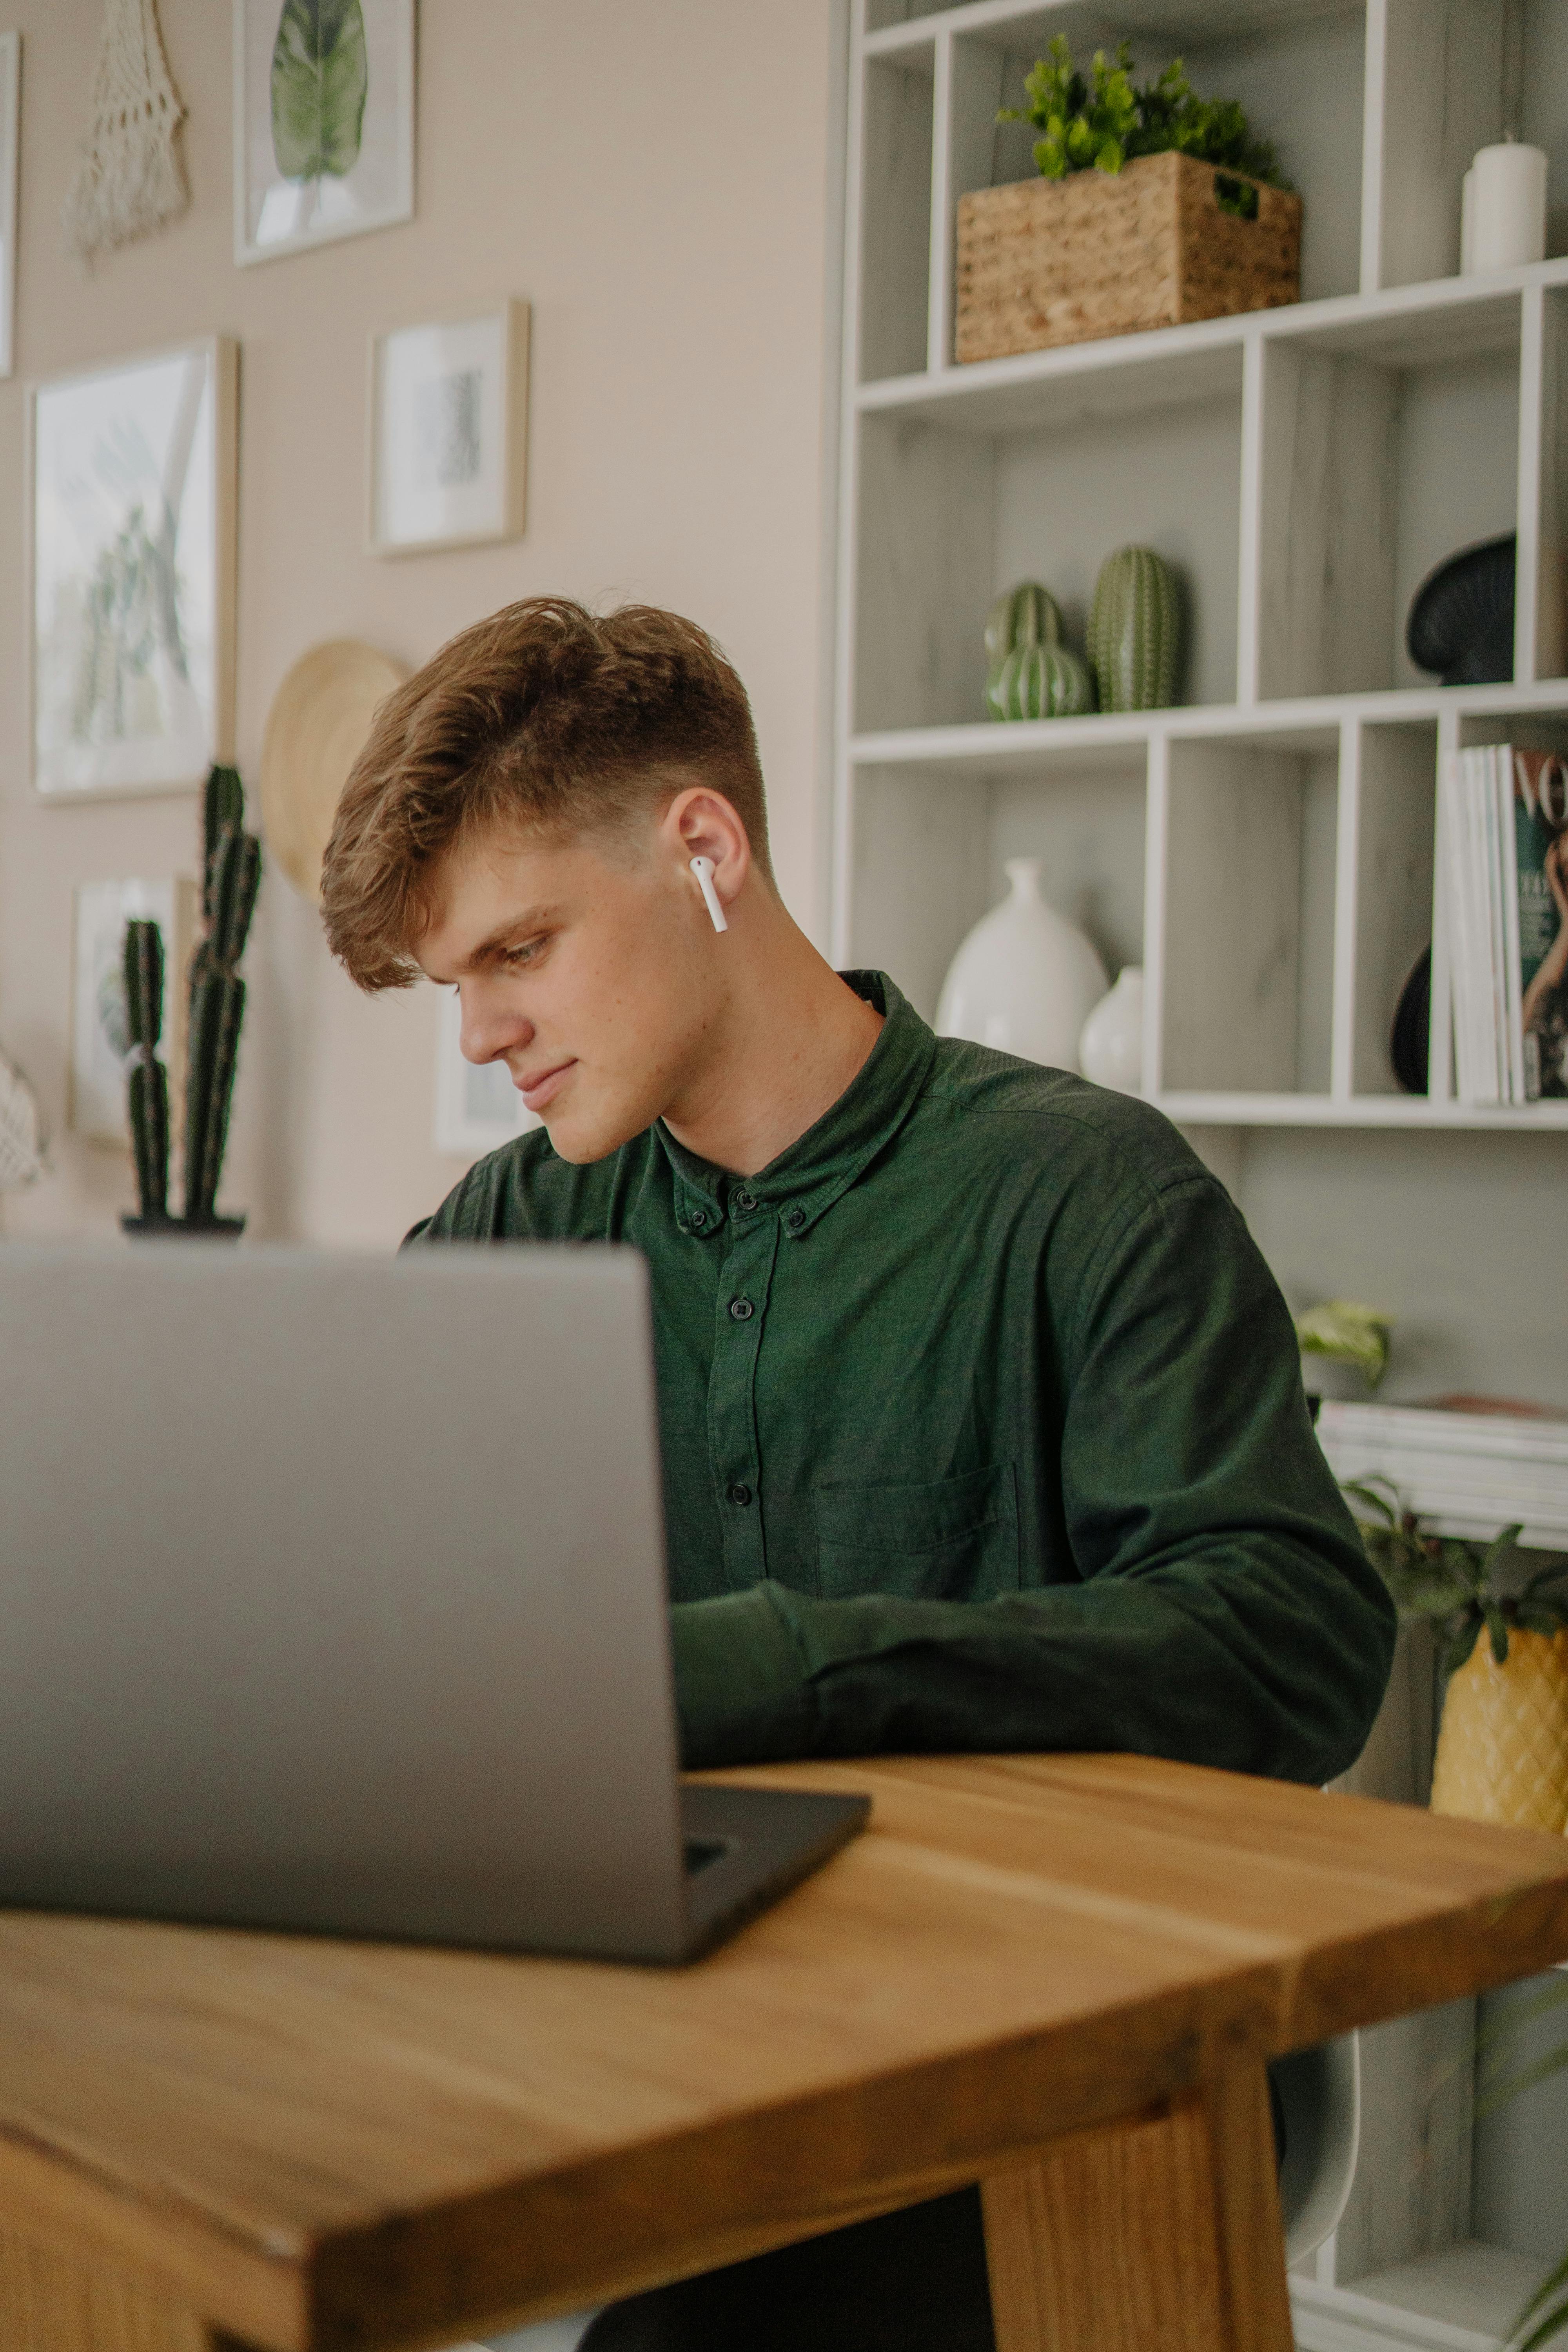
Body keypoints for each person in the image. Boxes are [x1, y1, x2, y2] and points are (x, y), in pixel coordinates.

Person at [321, 596, 1396, 2352]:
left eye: (518, 952)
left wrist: (786, 1663)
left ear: (704, 847)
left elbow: (1290, 1640)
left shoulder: (1087, 1195)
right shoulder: (518, 1226)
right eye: (455, 988)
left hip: (1078, 2076)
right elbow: (350, 1573)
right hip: (699, 2045)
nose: (481, 1040)